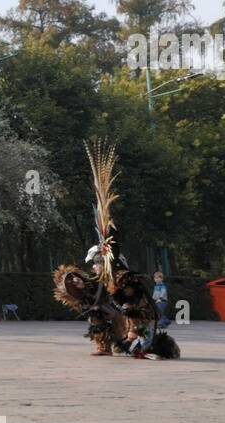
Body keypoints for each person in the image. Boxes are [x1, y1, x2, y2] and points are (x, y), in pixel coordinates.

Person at [53, 139, 180, 359]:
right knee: (96, 311)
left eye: (98, 263)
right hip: (120, 320)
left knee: (141, 350)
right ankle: (105, 346)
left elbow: (133, 304)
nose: (94, 267)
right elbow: (93, 295)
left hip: (140, 320)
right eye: (93, 265)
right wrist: (77, 283)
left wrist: (132, 329)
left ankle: (143, 342)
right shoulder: (98, 280)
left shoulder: (122, 278)